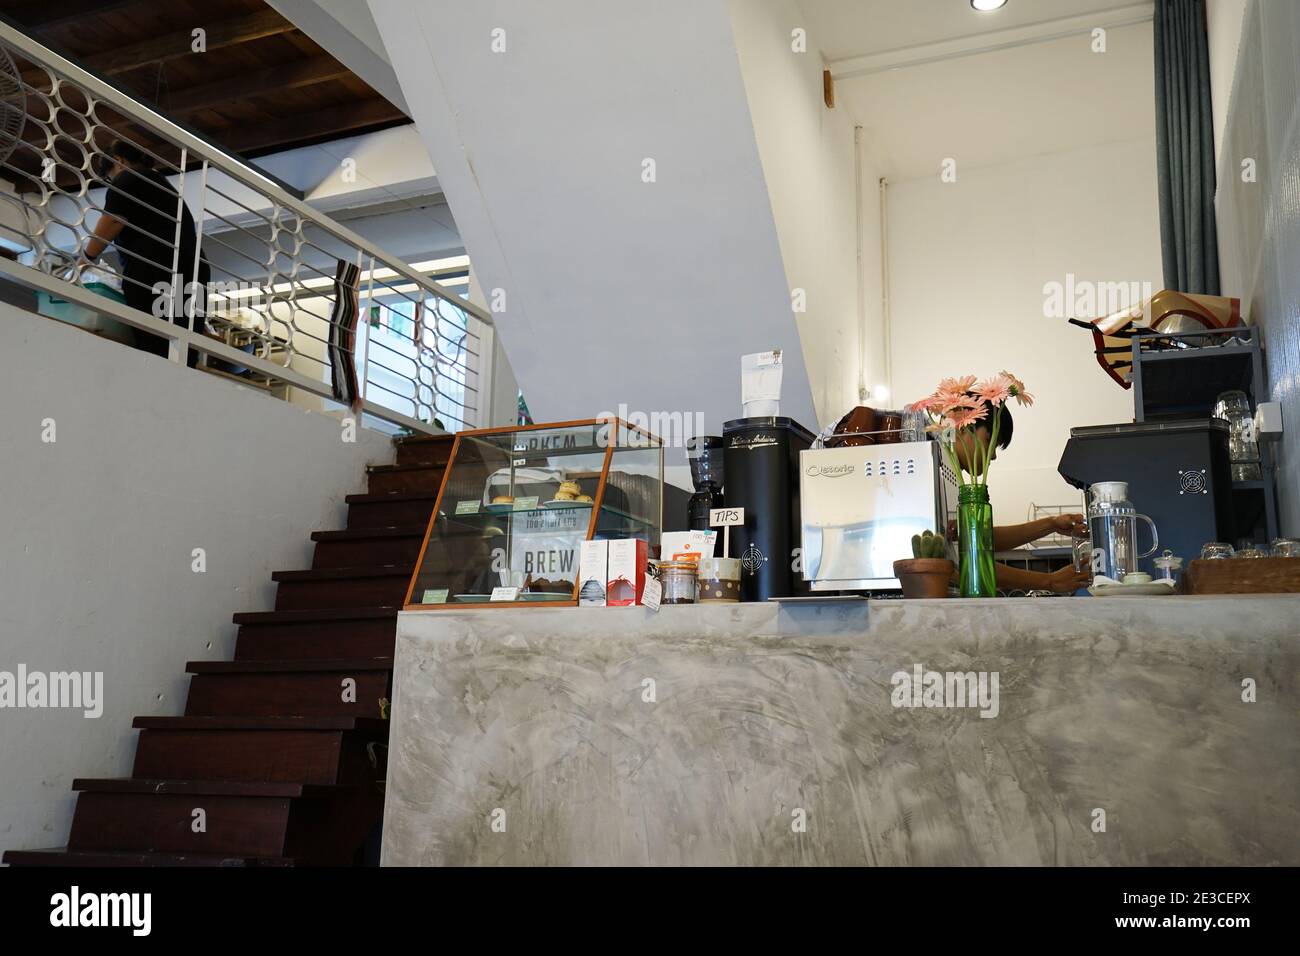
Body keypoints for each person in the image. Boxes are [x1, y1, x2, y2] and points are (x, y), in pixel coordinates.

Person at [81, 139, 210, 367]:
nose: (111, 182)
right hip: (192, 270)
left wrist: (85, 259)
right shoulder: (161, 186)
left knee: (153, 344)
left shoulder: (128, 178)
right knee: (183, 346)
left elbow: (112, 220)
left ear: (119, 161)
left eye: (109, 177)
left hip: (155, 270)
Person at [948, 399, 1091, 594]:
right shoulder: (931, 467)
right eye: (990, 441)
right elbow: (959, 567)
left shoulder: (950, 476)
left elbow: (980, 541)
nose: (993, 456)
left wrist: (1051, 524)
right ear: (963, 425)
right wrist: (1049, 581)